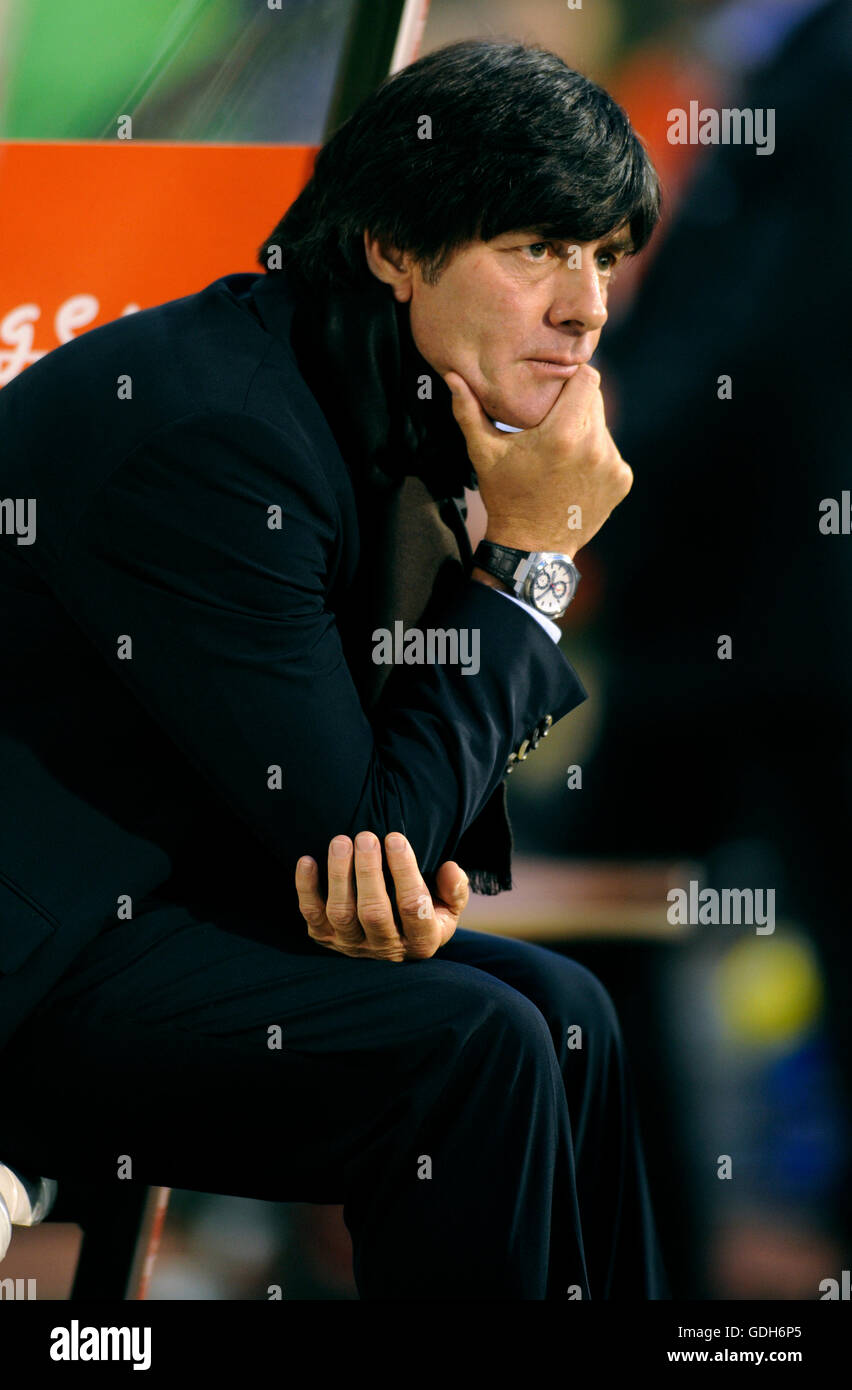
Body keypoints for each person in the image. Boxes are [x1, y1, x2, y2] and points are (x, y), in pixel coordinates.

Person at [0, 39, 667, 1298]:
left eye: (603, 257)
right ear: (393, 249)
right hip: (38, 966)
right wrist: (533, 558)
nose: (585, 303)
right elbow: (365, 836)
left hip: (168, 907)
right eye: (537, 248)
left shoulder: (382, 399)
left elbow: (400, 853)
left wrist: (414, 880)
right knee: (476, 1044)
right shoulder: (217, 434)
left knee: (567, 1009)